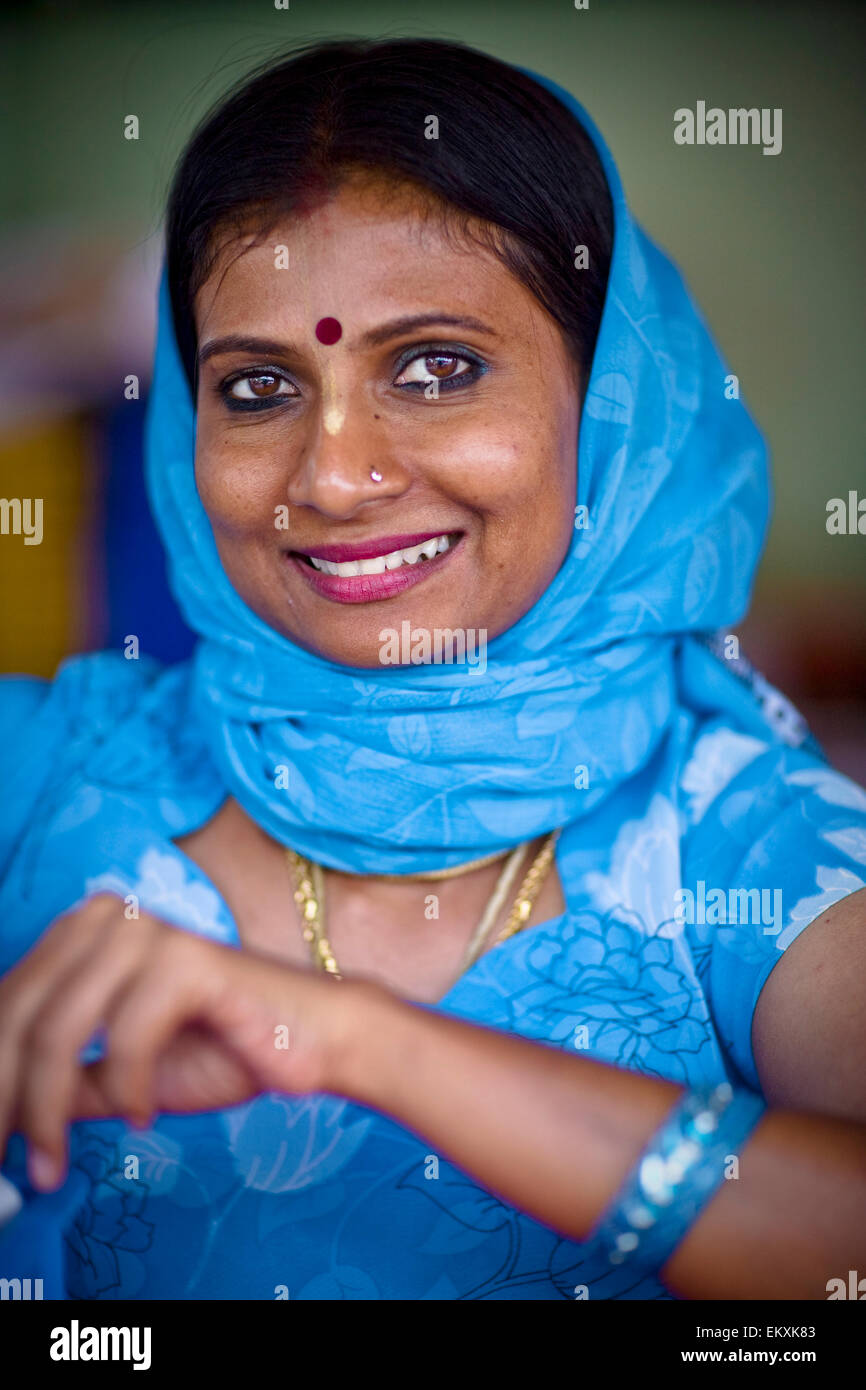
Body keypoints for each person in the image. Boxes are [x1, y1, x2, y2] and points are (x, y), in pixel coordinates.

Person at [0, 38, 864, 1303]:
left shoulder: (758, 845)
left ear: (609, 397)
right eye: (255, 386)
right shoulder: (38, 777)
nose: (333, 476)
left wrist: (358, 1046)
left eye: (435, 367)